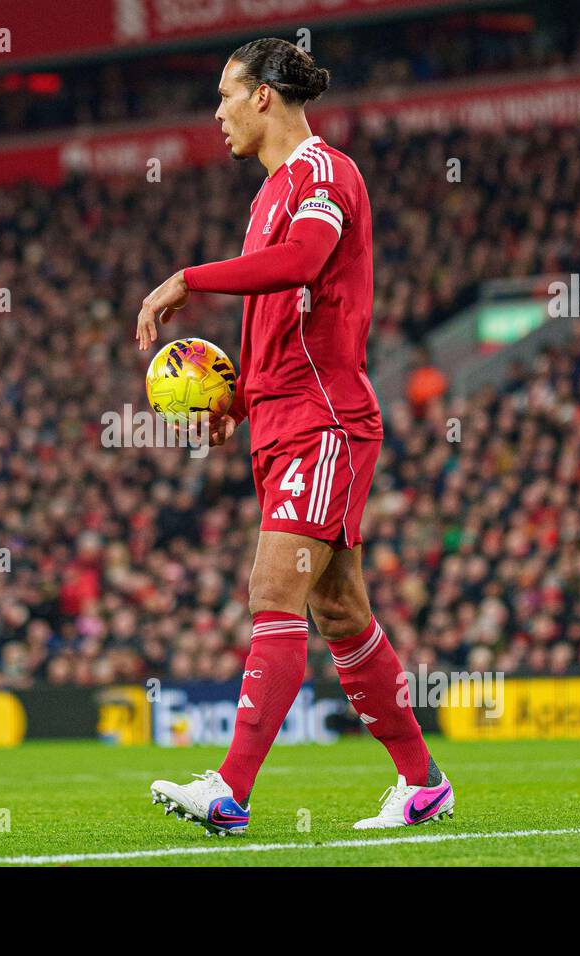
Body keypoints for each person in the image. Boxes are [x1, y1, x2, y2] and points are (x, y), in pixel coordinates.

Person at [137, 38, 452, 834]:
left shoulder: (324, 173)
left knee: (272, 593)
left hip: (325, 422)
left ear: (264, 97)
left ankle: (231, 790)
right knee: (340, 610)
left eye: (225, 95)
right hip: (281, 421)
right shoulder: (267, 196)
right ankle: (422, 783)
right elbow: (282, 324)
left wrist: (189, 279)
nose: (217, 113)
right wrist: (239, 399)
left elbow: (306, 261)